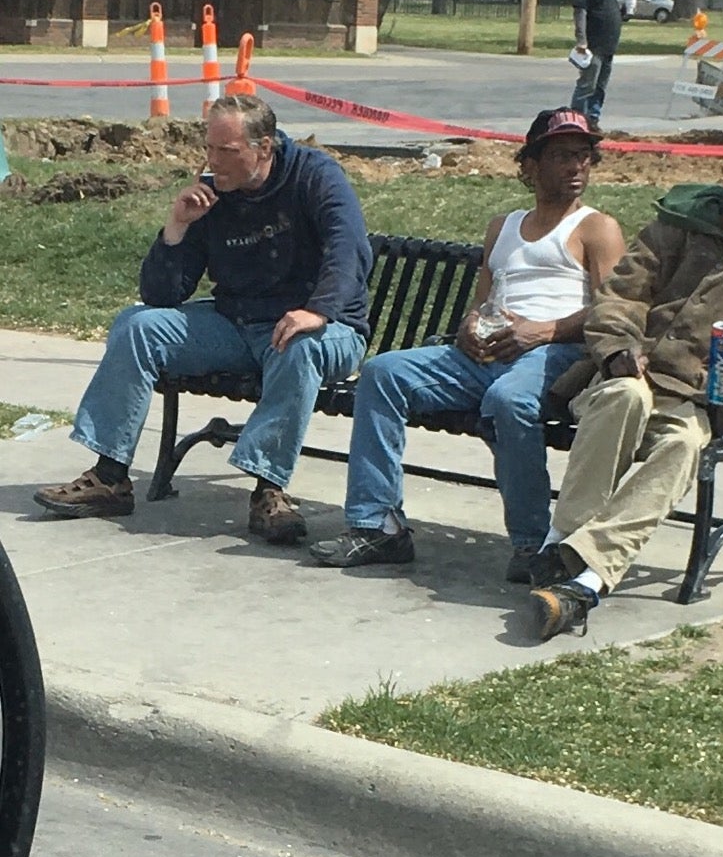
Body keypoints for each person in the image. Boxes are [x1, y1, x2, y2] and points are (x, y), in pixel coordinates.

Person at [527, 116, 723, 639]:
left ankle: (587, 579)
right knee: (622, 399)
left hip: (696, 393)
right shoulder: (680, 221)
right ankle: (563, 542)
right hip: (629, 373)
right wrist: (619, 346)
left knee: (685, 444)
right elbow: (622, 293)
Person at [34, 94, 371, 545]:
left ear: (264, 147)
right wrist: (177, 228)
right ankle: (110, 477)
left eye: (226, 152)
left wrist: (318, 309)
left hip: (326, 326)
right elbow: (161, 296)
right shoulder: (213, 191)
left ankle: (268, 492)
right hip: (238, 323)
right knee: (138, 327)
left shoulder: (315, 176)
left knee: (299, 346)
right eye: (209, 149)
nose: (214, 162)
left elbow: (348, 248)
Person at [310, 110, 626, 577]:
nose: (577, 167)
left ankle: (531, 544)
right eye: (562, 156)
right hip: (490, 352)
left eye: (583, 156)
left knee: (508, 400)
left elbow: (613, 312)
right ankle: (377, 525)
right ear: (531, 165)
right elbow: (484, 301)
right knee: (383, 374)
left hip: (555, 354)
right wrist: (470, 326)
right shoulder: (504, 226)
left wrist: (542, 331)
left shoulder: (597, 228)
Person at [570, 0, 625, 127]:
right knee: (588, 85)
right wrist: (581, 40)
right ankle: (577, 120)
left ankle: (593, 120)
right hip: (593, 45)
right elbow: (581, 11)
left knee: (600, 87)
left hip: (609, 46)